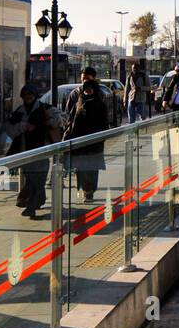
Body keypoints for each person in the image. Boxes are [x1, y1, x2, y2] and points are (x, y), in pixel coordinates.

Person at [8, 84, 56, 217]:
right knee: (32, 178)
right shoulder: (19, 112)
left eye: (31, 94)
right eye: (25, 95)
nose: (28, 97)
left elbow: (61, 120)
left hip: (42, 150)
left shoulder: (45, 108)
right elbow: (10, 130)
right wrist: (22, 126)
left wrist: (51, 122)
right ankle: (37, 200)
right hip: (25, 151)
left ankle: (31, 206)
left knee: (38, 179)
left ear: (35, 95)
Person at [63, 67, 108, 202]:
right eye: (83, 79)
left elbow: (105, 118)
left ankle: (90, 190)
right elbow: (68, 114)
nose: (84, 82)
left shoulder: (101, 95)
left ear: (94, 79)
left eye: (87, 79)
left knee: (92, 166)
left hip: (95, 138)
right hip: (79, 136)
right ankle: (84, 189)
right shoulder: (75, 95)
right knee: (80, 166)